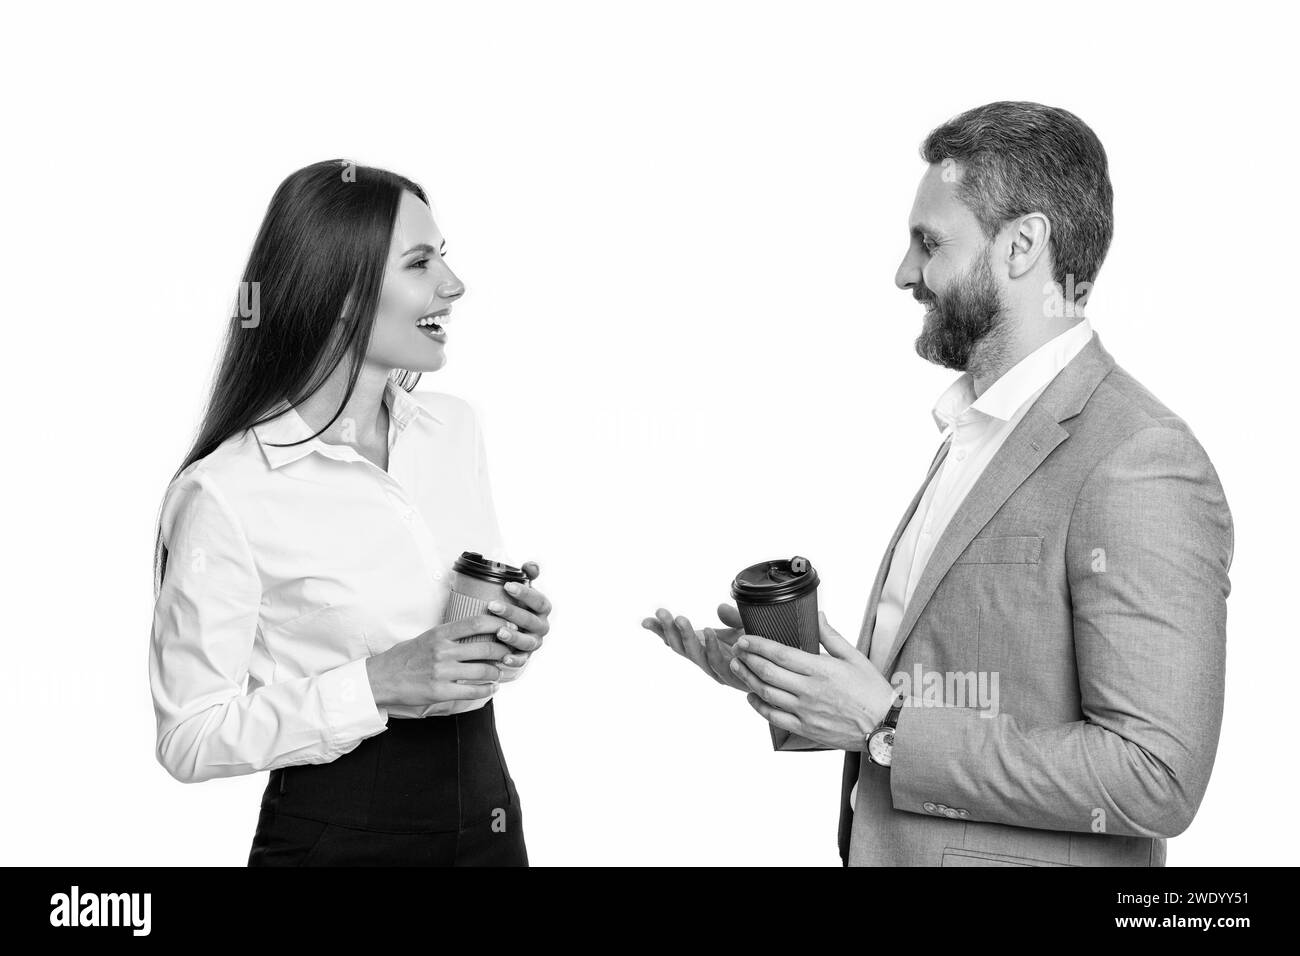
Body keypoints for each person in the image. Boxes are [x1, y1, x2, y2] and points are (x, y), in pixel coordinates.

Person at [644, 102, 1233, 867]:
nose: (904, 273)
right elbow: (962, 686)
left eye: (929, 243)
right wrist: (802, 684)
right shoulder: (982, 430)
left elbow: (1156, 777)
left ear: (1022, 245)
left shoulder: (1139, 458)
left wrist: (886, 722)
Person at [149, 160, 552, 866]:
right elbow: (189, 737)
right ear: (340, 292)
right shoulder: (228, 492)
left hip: (488, 817)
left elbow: (456, 656)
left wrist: (505, 641)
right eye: (420, 263)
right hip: (337, 838)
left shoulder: (453, 430)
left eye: (444, 260)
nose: (454, 287)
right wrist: (375, 684)